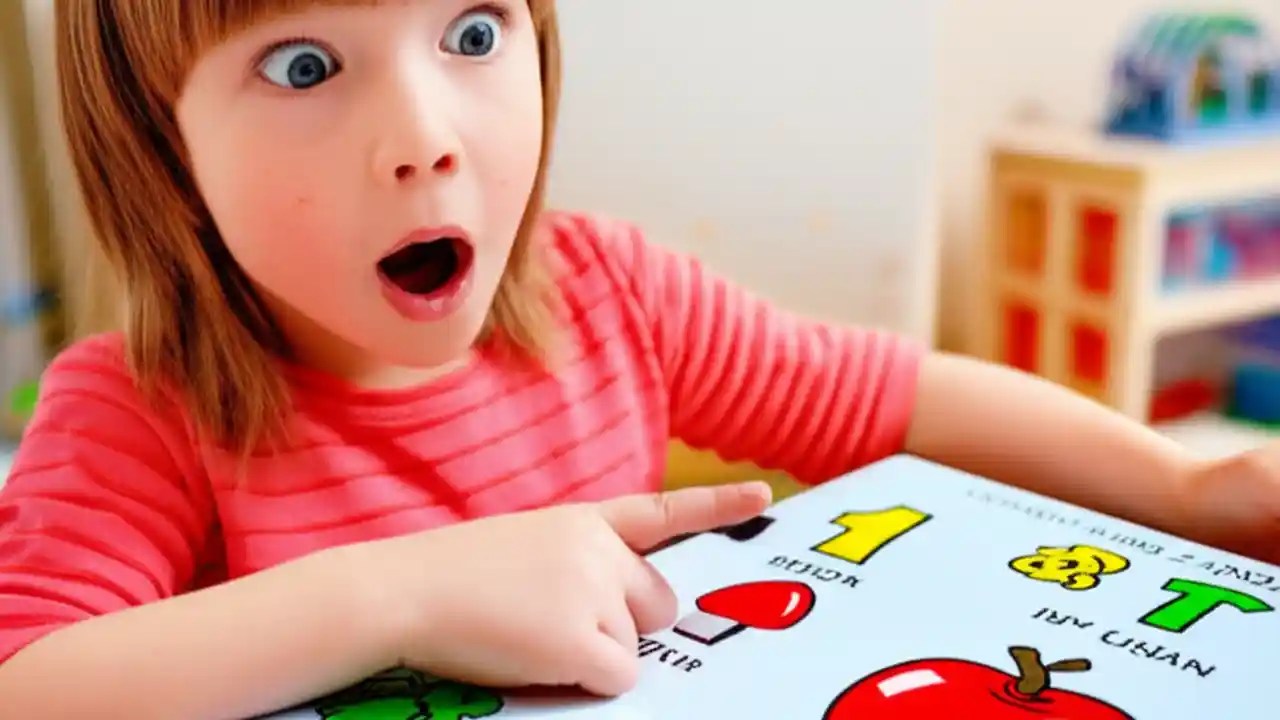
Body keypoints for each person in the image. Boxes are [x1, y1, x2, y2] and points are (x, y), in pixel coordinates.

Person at [1, 1, 1277, 717]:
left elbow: (891, 395)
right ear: (159, 149)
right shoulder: (134, 407)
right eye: (303, 65)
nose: (423, 137)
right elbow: (28, 684)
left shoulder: (611, 292)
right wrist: (399, 596)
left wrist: (1173, 491)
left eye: (474, 33)